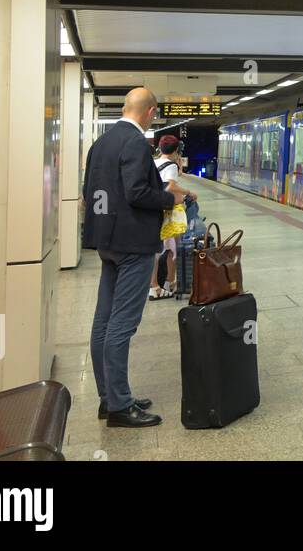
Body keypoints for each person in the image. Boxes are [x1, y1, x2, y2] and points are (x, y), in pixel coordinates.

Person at [82, 88, 188, 428]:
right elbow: (137, 193)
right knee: (121, 324)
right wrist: (170, 201)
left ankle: (108, 396)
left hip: (107, 241)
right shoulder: (135, 144)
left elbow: (90, 192)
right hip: (133, 245)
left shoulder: (101, 143)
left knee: (103, 320)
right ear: (150, 112)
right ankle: (120, 405)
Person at [150, 135, 193, 299]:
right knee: (174, 249)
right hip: (170, 211)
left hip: (154, 210)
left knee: (157, 250)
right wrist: (189, 193)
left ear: (160, 148)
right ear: (176, 150)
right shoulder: (172, 166)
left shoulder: (153, 163)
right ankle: (169, 283)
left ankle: (154, 286)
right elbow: (170, 185)